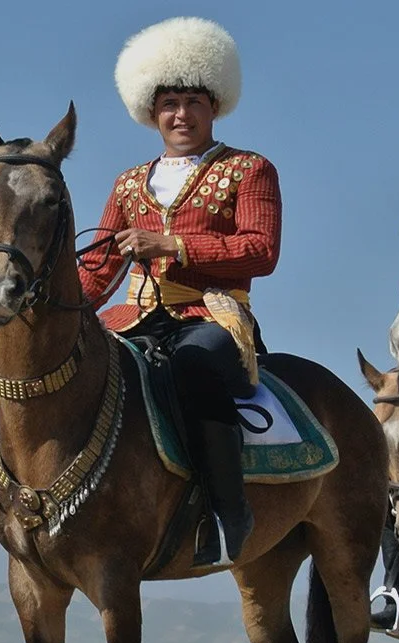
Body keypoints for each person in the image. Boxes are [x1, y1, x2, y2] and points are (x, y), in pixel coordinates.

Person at [76, 16, 273, 570]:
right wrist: (50, 313)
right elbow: (98, 269)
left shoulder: (248, 169)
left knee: (191, 364)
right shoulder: (127, 183)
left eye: (192, 101)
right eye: (168, 103)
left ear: (215, 106)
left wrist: (174, 244)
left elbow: (261, 250)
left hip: (212, 317)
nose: (180, 115)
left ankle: (229, 510)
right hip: (133, 317)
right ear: (151, 111)